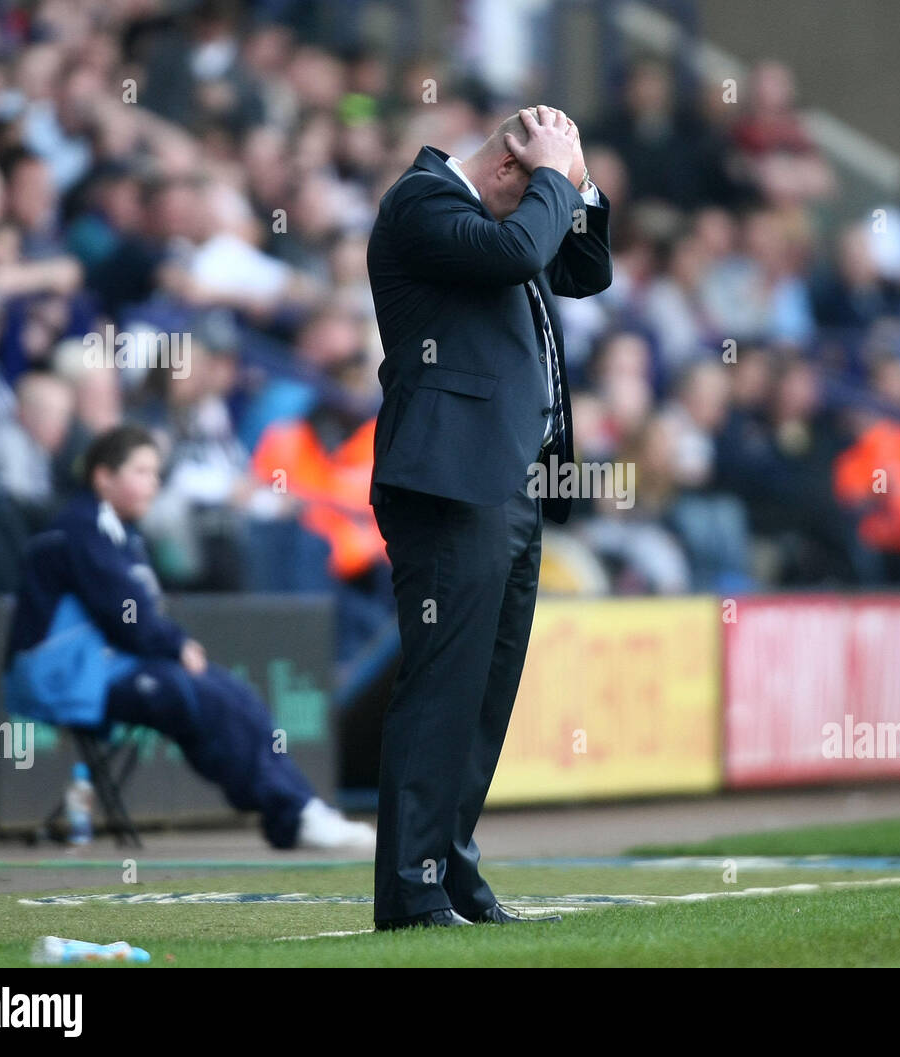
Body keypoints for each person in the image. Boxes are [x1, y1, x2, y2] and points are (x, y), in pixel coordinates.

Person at [366, 105, 611, 929]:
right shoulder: (424, 201)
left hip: (511, 480)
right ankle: (411, 889)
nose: (549, 205)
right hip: (448, 482)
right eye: (540, 185)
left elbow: (583, 271)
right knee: (443, 685)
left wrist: (578, 183)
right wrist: (553, 182)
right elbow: (521, 252)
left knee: (485, 694)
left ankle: (453, 866)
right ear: (510, 169)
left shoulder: (503, 213)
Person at [5, 424, 373, 851]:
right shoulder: (81, 530)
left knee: (234, 693)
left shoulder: (121, 532)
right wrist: (177, 646)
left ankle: (297, 813)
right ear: (104, 477)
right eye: (141, 471)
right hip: (61, 679)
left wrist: (171, 645)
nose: (153, 483)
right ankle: (291, 813)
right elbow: (125, 617)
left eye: (156, 473)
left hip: (103, 667)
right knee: (193, 694)